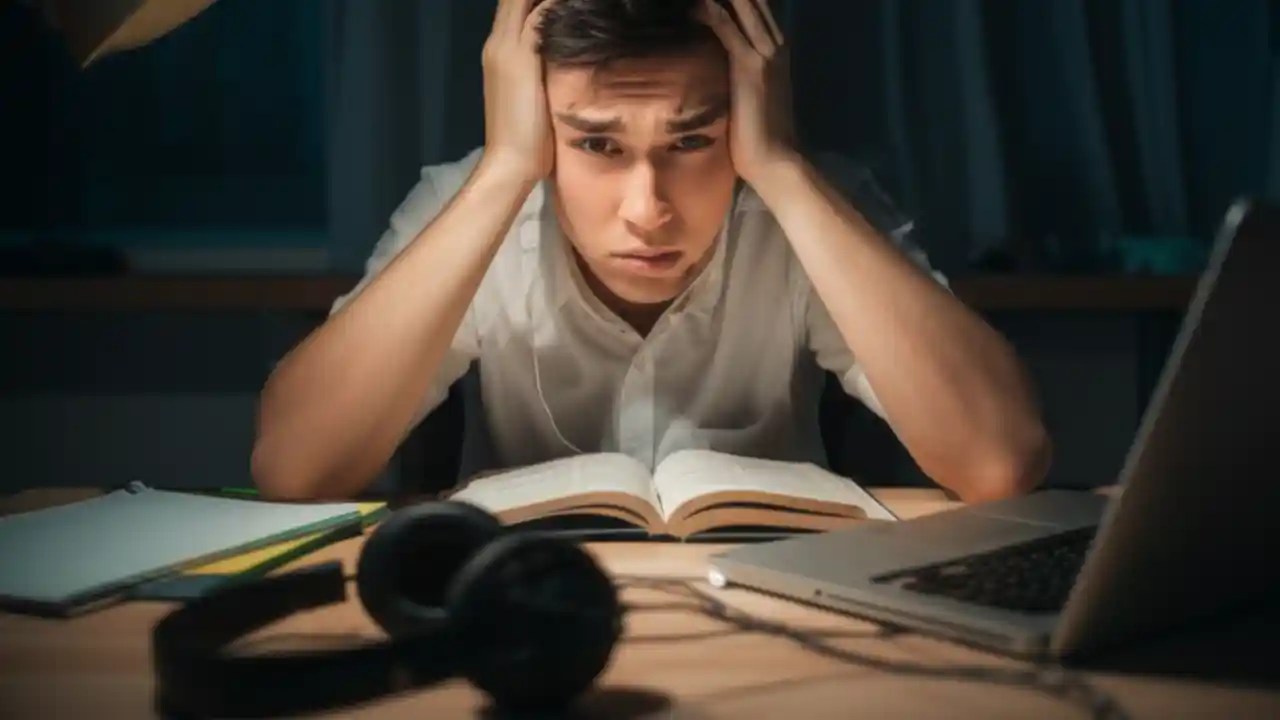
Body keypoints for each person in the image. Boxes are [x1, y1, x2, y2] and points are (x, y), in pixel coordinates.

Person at [250, 0, 1052, 503]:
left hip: (779, 612)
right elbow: (293, 467)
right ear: (532, 115)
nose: (648, 210)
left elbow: (1001, 461)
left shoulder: (809, 200)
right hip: (525, 606)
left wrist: (778, 167)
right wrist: (502, 171)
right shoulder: (473, 199)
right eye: (598, 143)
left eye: (693, 138)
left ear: (746, 112)